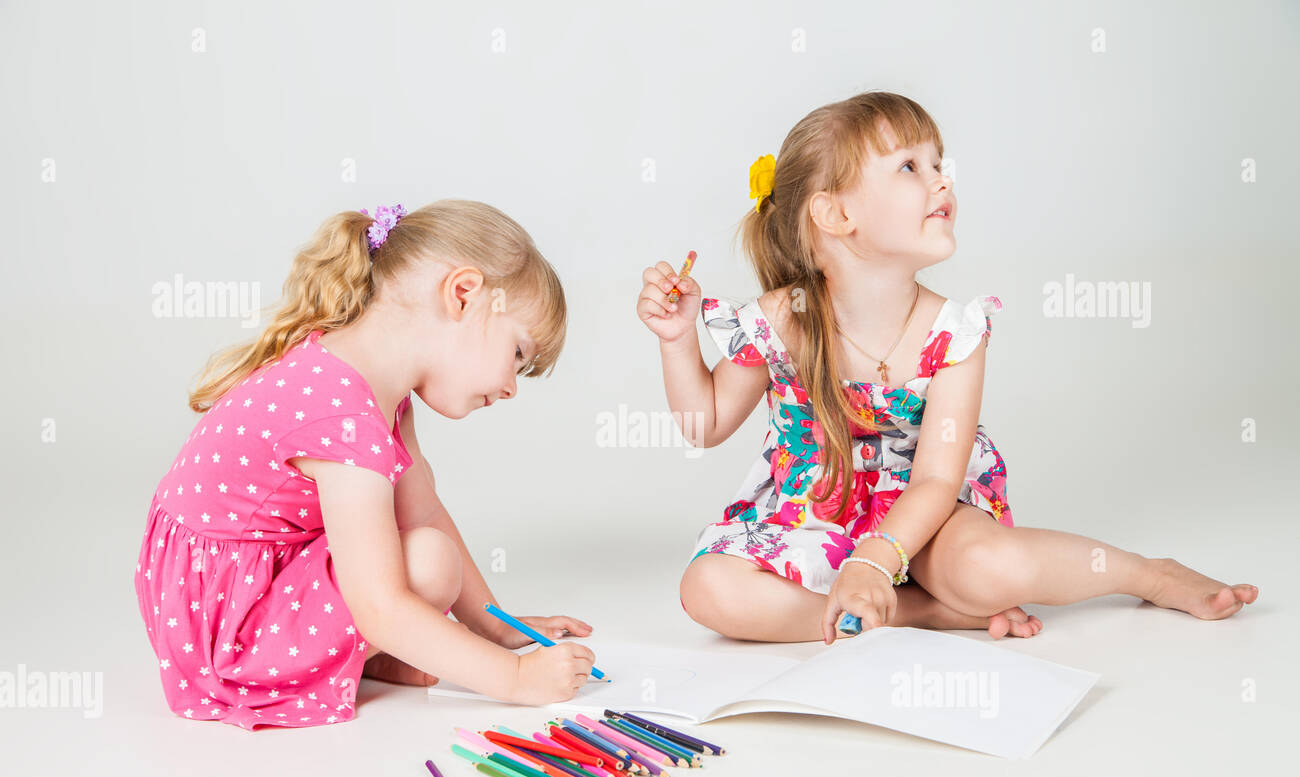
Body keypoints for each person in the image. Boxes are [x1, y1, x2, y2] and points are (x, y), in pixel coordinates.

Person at [638, 91, 1257, 645]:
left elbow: (936, 480)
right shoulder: (783, 319)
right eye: (911, 167)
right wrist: (676, 341)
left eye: (939, 164)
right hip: (811, 515)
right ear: (834, 215)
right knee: (710, 589)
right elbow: (704, 424)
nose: (942, 182)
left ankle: (1146, 572)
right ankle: (925, 613)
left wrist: (878, 558)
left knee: (991, 568)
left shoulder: (955, 333)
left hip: (927, 517)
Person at [134, 200, 595, 730]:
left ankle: (362, 660)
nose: (513, 386)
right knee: (427, 565)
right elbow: (379, 605)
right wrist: (515, 679)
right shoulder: (342, 411)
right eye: (518, 353)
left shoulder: (376, 388)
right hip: (226, 629)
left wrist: (493, 626)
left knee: (426, 547)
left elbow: (421, 513)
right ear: (464, 295)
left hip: (258, 580)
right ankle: (302, 667)